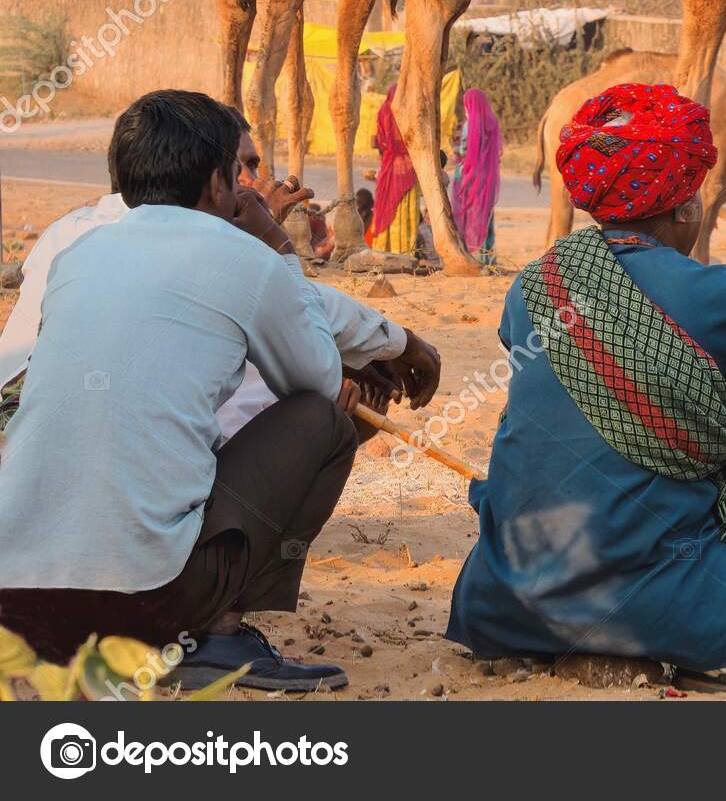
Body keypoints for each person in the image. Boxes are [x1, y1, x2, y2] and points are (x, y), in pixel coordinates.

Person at [446, 83, 726, 688]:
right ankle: (725, 634)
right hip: (651, 611)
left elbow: (585, 377)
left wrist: (697, 387)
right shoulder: (717, 295)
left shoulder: (532, 287)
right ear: (687, 207)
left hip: (504, 602)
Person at [0, 91, 437, 691]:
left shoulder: (81, 252)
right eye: (239, 173)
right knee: (323, 422)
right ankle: (221, 636)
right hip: (140, 606)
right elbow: (315, 382)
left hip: (19, 605)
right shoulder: (244, 256)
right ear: (214, 182)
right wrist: (280, 248)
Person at [0, 107, 440, 449]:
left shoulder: (75, 234)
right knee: (322, 410)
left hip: (29, 458)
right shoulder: (203, 249)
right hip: (139, 525)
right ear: (211, 180)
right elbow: (311, 356)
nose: (255, 181)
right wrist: (272, 242)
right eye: (241, 169)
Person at [450, 87, 502, 264]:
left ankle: (471, 256)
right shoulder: (492, 122)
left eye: (466, 105)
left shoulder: (469, 124)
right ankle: (487, 258)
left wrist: (454, 149)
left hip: (467, 176)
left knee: (468, 216)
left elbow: (465, 150)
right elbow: (496, 152)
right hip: (486, 178)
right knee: (485, 215)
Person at [366, 86, 419, 253]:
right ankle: (404, 250)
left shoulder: (384, 111)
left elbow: (380, 141)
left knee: (386, 207)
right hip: (409, 168)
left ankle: (384, 249)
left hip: (389, 166)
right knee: (405, 210)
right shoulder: (410, 112)